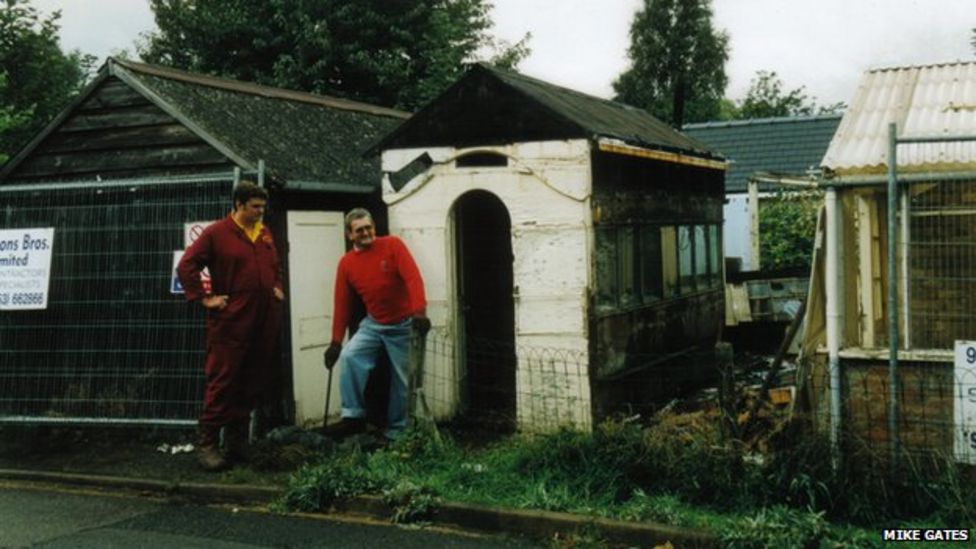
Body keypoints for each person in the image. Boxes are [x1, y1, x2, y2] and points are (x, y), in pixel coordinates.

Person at [177, 180, 285, 471]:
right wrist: (205, 298)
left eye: (263, 206)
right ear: (239, 204)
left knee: (251, 380)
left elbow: (275, 266)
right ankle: (208, 444)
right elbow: (187, 265)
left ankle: (237, 443)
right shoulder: (217, 233)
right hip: (231, 321)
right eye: (255, 206)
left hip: (263, 320)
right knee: (223, 381)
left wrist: (277, 287)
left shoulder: (264, 232)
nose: (261, 212)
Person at [324, 208, 430, 440]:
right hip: (374, 323)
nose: (366, 233)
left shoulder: (393, 245)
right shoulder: (346, 264)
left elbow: (413, 278)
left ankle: (397, 432)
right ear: (349, 235)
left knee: (403, 378)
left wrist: (419, 312)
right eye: (359, 230)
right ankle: (353, 416)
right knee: (350, 356)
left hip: (403, 324)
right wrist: (335, 342)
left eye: (368, 227)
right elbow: (342, 304)